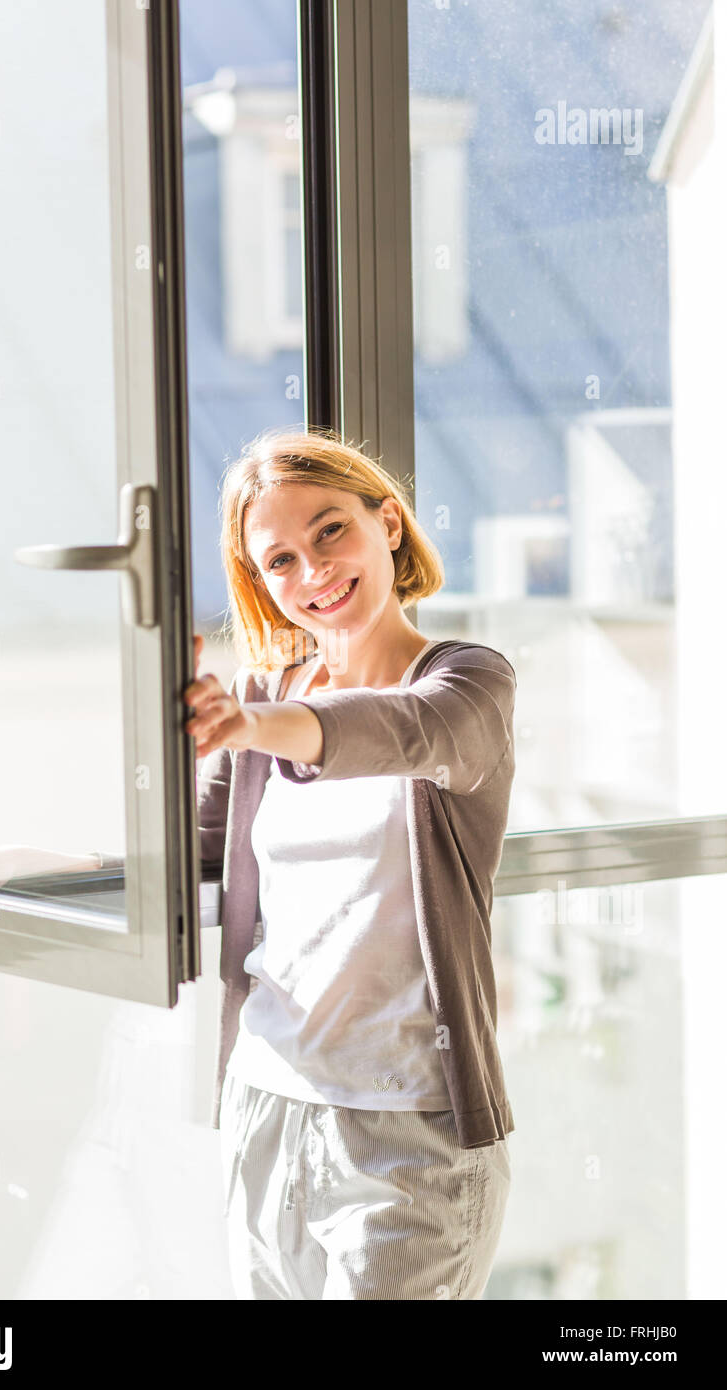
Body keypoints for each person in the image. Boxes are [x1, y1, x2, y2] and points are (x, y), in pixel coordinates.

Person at [183, 425, 517, 1301]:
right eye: (280, 560)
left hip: (411, 1128)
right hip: (267, 1103)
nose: (314, 573)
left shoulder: (468, 683)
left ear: (390, 524)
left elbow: (401, 734)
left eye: (331, 531)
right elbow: (188, 854)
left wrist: (251, 726)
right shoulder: (265, 694)